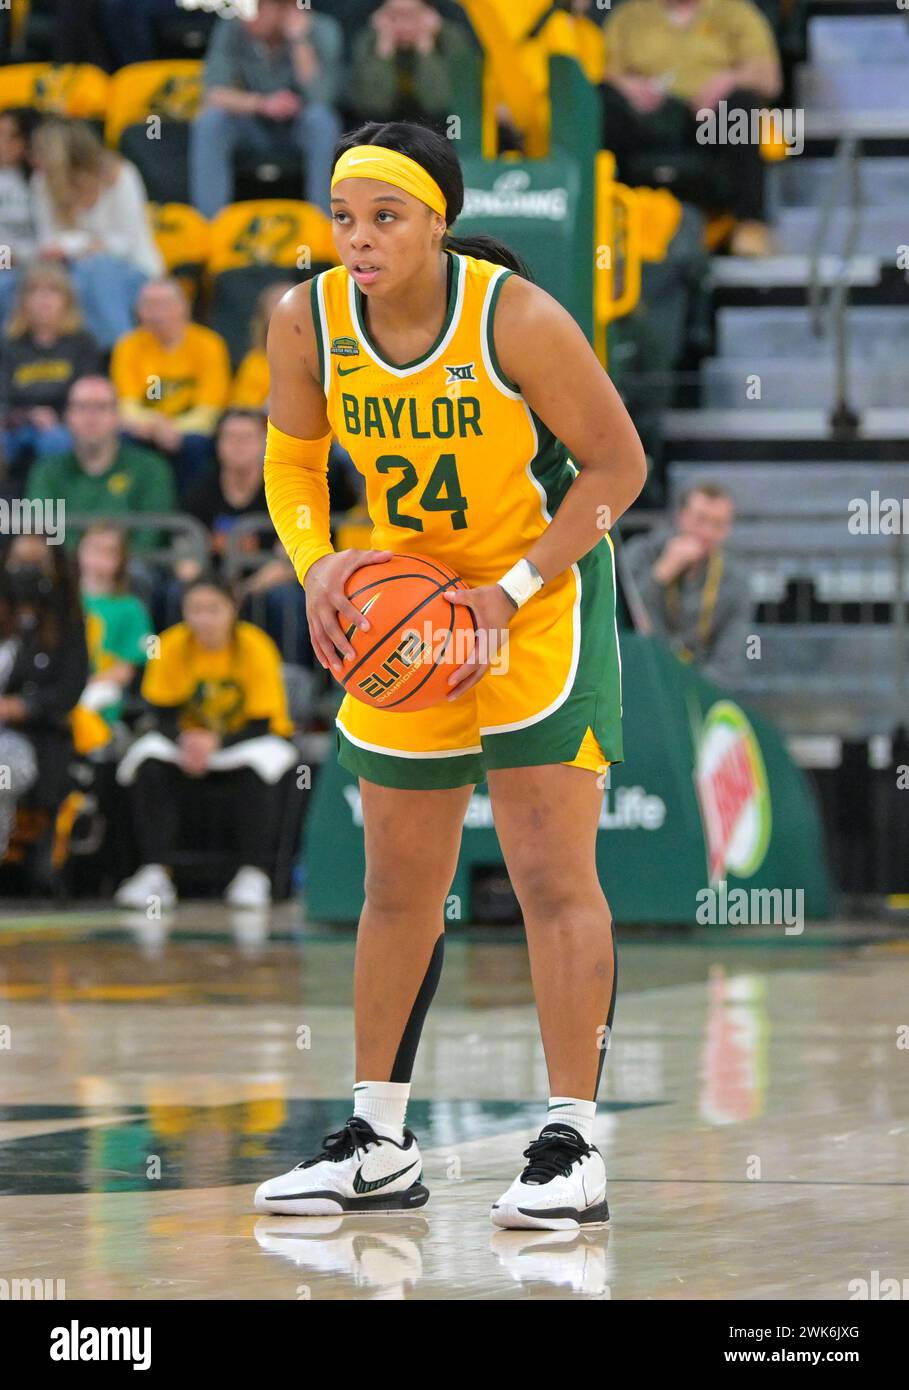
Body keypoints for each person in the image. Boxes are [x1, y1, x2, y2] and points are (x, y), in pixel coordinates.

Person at [258, 121, 646, 1229]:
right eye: (344, 219)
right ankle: (377, 1138)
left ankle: (572, 1143)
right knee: (395, 889)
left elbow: (619, 467)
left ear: (438, 222)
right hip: (410, 612)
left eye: (385, 217)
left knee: (549, 875)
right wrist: (318, 559)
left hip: (533, 603)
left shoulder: (513, 315)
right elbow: (290, 457)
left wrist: (511, 591)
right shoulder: (308, 318)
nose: (360, 240)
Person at [114, 575, 297, 911]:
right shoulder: (168, 644)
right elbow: (161, 714)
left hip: (243, 740)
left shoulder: (255, 645)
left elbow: (263, 721)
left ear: (232, 610)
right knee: (146, 757)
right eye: (195, 609)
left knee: (270, 762)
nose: (204, 619)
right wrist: (188, 741)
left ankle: (253, 873)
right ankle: (155, 870)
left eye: (213, 609)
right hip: (187, 743)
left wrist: (216, 741)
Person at [601, 0, 783, 256]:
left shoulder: (734, 12)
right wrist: (628, 86)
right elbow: (603, 72)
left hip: (708, 119)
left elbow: (770, 80)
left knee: (743, 106)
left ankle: (750, 225)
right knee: (605, 104)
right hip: (647, 118)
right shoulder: (630, 15)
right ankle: (607, 220)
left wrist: (729, 80)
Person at [189, 0, 343, 219]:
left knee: (321, 119)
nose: (248, 16)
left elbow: (321, 97)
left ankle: (324, 223)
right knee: (210, 121)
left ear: (286, 8)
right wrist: (262, 104)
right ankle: (210, 225)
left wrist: (299, 40)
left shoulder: (323, 29)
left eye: (258, 8)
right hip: (252, 126)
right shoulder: (232, 27)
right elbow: (212, 94)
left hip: (299, 128)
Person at [30, 121, 164, 348]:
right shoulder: (42, 182)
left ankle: (119, 352)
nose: (35, 161)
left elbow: (126, 244)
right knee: (33, 281)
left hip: (134, 270)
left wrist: (74, 246)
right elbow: (48, 242)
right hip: (71, 270)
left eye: (42, 154)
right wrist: (86, 246)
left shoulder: (121, 175)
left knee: (96, 271)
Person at [0, 534, 88, 860]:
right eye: (20, 561)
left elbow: (68, 690)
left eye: (37, 563)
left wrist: (20, 706)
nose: (27, 572)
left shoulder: (66, 624)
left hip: (29, 738)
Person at [25, 375, 177, 554]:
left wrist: (110, 564)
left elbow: (151, 536)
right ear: (67, 416)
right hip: (65, 573)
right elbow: (40, 532)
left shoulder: (151, 468)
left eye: (101, 407)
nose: (91, 417)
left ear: (118, 416)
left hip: (134, 572)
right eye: (81, 407)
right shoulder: (47, 471)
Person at [621, 482, 753, 687]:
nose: (707, 532)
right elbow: (624, 620)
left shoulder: (736, 581)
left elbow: (731, 659)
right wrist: (661, 574)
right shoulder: (640, 554)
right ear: (681, 516)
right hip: (641, 676)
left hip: (700, 688)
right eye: (700, 520)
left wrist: (692, 689)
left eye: (718, 525)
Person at [110, 279, 231, 498]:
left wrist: (172, 428)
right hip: (143, 431)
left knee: (196, 445)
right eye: (148, 305)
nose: (155, 313)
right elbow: (126, 406)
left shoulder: (209, 344)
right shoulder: (127, 346)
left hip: (190, 433)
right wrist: (155, 426)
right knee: (121, 441)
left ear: (183, 307)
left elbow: (209, 411)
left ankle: (190, 518)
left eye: (163, 304)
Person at [1, 262, 101, 483]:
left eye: (52, 291)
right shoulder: (8, 345)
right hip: (14, 426)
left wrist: (57, 418)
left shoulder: (83, 343)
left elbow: (89, 396)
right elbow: (2, 399)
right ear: (22, 301)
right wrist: (27, 416)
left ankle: (62, 508)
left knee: (56, 441)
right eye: (34, 291)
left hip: (65, 425)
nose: (43, 299)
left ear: (67, 300)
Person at [347, 0, 472, 129]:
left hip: (438, 128)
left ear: (431, 16)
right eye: (394, 16)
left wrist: (426, 50)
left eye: (413, 15)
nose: (404, 25)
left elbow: (437, 104)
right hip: (383, 128)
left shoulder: (450, 39)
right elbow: (374, 106)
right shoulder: (370, 40)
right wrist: (383, 52)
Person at [78, 522, 153, 727]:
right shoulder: (61, 600)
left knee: (94, 698)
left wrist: (88, 684)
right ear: (80, 550)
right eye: (94, 548)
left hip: (102, 688)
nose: (99, 557)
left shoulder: (132, 608)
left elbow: (128, 668)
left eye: (109, 551)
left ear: (121, 559)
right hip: (61, 686)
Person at [230, 281, 294, 411]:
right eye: (277, 302)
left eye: (293, 300)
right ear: (263, 316)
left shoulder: (325, 355)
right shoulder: (254, 362)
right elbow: (245, 408)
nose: (285, 307)